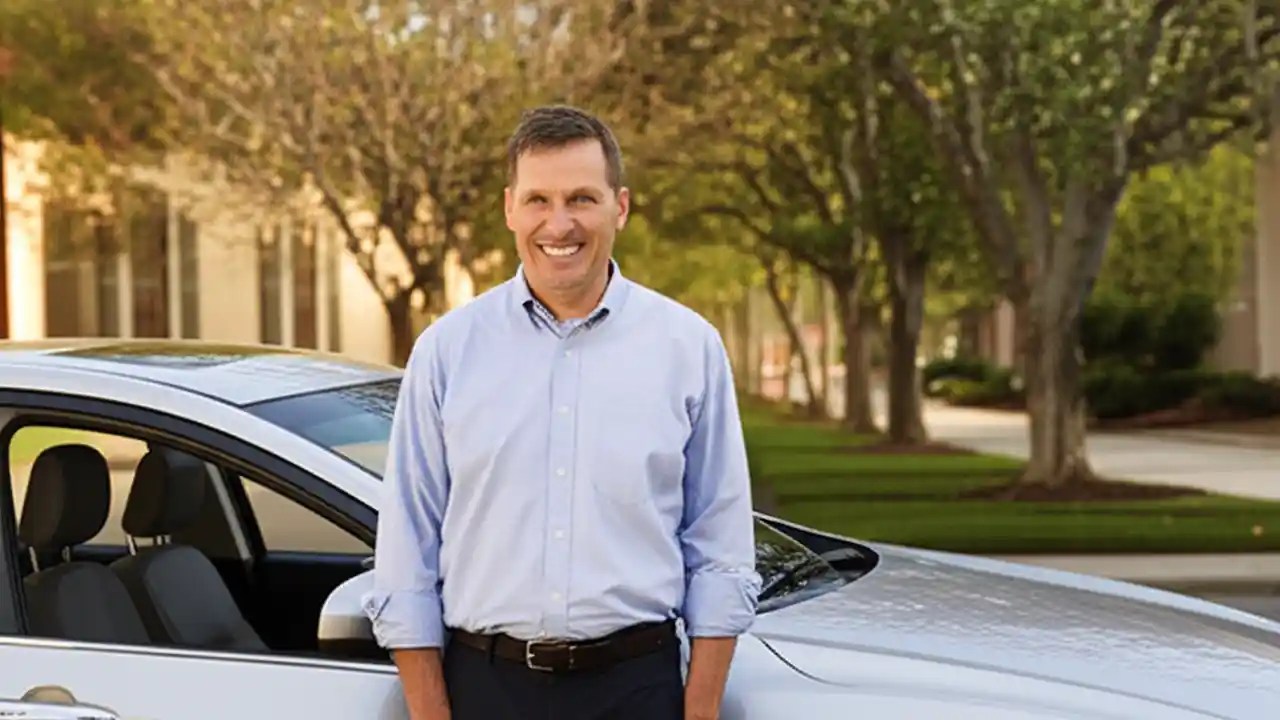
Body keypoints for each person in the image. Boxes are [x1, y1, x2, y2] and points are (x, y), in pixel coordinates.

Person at [364, 104, 761, 720]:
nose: (559, 224)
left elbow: (721, 547)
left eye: (582, 198)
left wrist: (700, 710)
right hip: (485, 690)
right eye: (538, 200)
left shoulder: (688, 348)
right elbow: (406, 552)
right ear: (509, 210)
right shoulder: (447, 351)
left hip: (638, 690)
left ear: (620, 207)